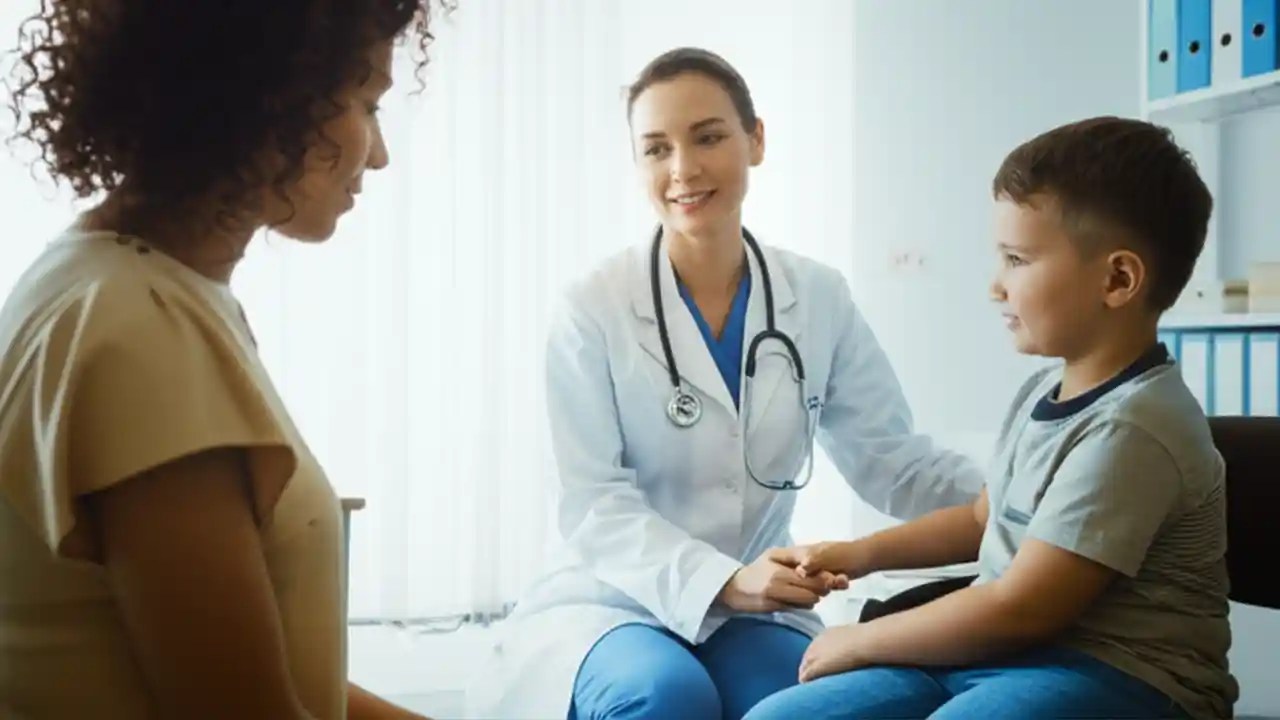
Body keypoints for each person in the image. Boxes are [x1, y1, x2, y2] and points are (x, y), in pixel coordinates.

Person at [465, 46, 984, 720]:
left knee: (806, 704)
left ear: (756, 140)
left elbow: (890, 460)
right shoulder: (592, 307)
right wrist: (727, 581)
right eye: (657, 149)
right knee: (665, 695)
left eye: (707, 137)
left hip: (755, 610)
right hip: (613, 600)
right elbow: (592, 503)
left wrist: (1013, 495)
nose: (683, 169)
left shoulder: (817, 297)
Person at [0, 1, 448, 718]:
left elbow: (273, 673)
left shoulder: (123, 284)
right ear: (272, 95)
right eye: (367, 104)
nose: (378, 154)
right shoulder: (137, 328)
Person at [745, 116, 1238, 720]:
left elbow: (1022, 608)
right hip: (1001, 655)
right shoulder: (1042, 393)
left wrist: (861, 640)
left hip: (1125, 676)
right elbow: (985, 518)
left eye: (1016, 260)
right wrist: (857, 554)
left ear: (1117, 279)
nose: (995, 287)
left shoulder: (1134, 429)